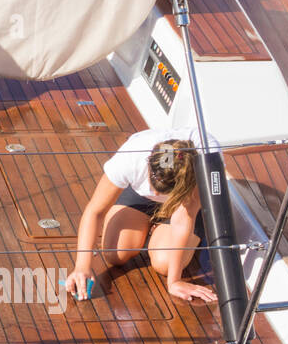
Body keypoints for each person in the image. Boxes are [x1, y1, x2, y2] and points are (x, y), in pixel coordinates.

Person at [64, 128, 218, 304]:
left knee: (164, 263)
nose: (154, 192)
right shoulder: (131, 157)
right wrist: (82, 266)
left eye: (161, 191)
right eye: (153, 185)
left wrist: (174, 281)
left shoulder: (204, 164)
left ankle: (158, 232)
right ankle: (151, 229)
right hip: (140, 196)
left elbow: (182, 221)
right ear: (149, 164)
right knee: (115, 254)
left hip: (180, 203)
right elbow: (95, 211)